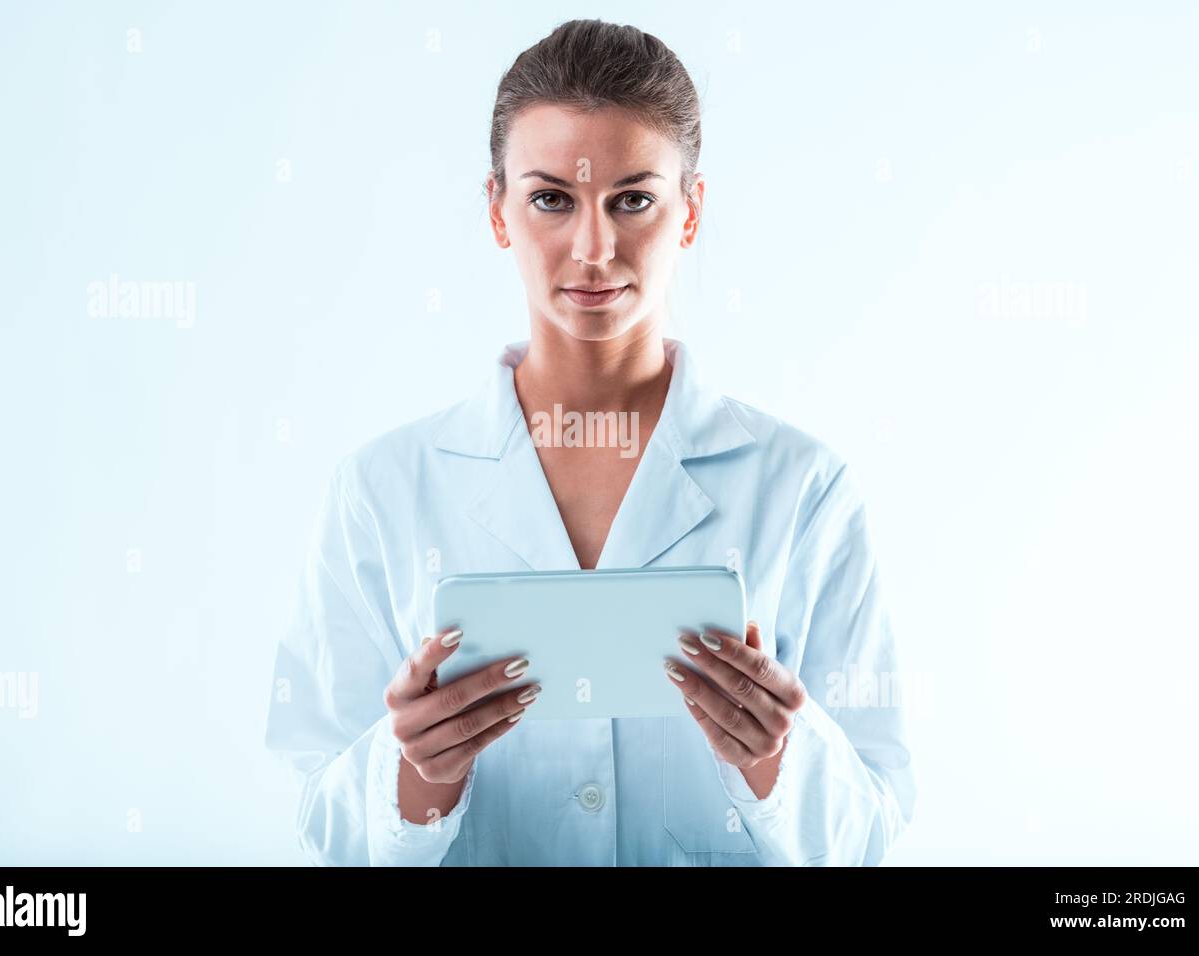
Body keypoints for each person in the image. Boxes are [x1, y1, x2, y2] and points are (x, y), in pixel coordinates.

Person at [264, 18, 916, 866]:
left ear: (691, 211)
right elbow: (319, 812)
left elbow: (870, 826)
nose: (594, 248)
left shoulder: (802, 486)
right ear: (498, 210)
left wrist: (773, 761)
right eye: (551, 198)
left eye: (633, 198)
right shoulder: (382, 488)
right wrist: (415, 778)